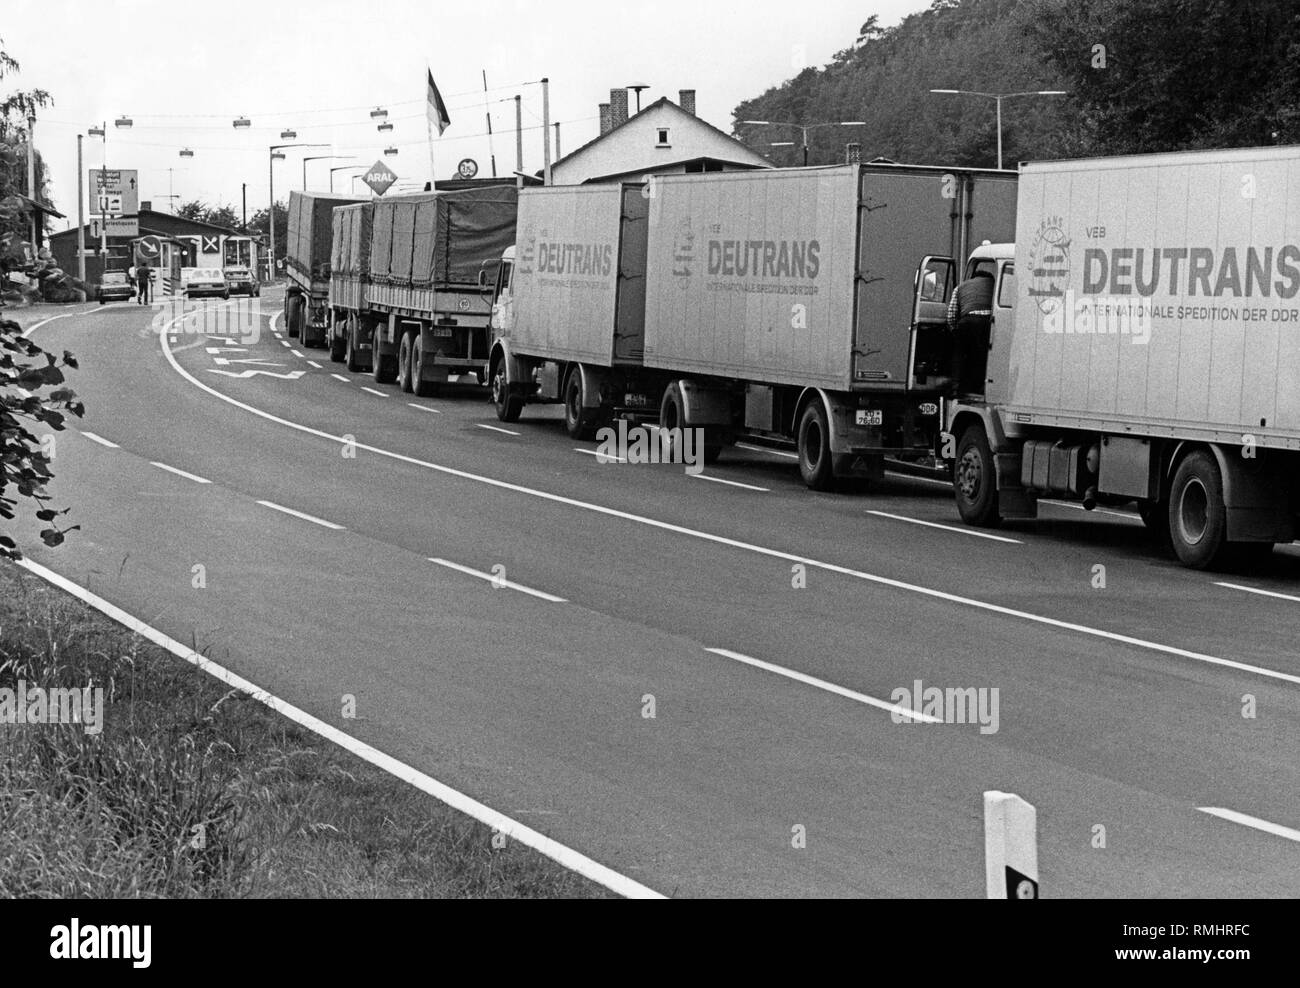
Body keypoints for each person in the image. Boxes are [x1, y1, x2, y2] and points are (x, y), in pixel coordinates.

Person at [947, 270, 995, 395]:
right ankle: (982, 388)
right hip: (987, 322)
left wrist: (955, 330)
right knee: (985, 356)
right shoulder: (994, 284)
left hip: (967, 321)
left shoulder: (961, 287)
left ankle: (956, 388)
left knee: (960, 354)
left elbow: (951, 314)